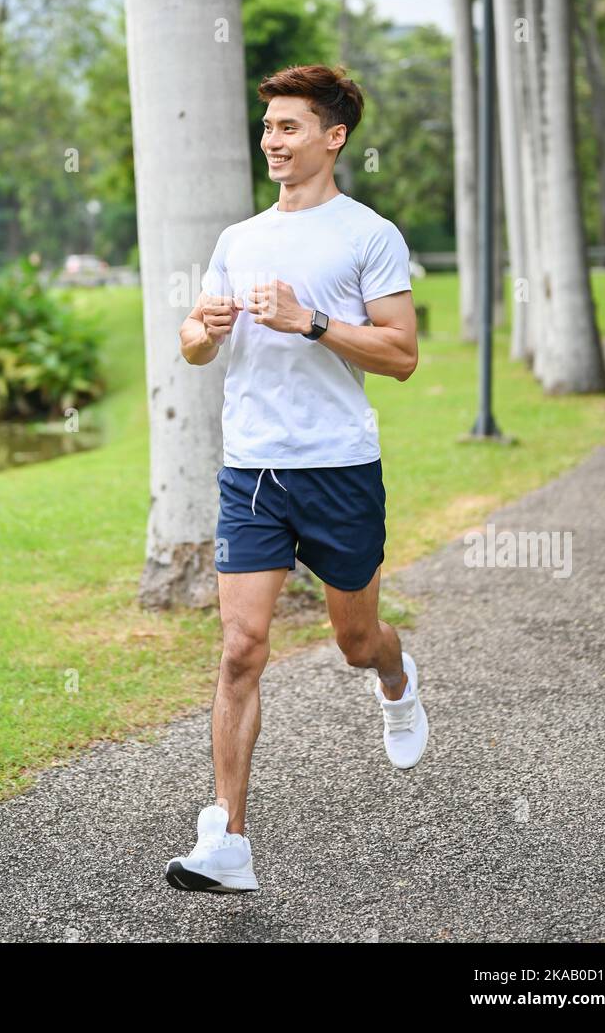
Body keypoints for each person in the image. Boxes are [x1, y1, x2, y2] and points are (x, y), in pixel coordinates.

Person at [166, 63, 428, 894]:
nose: (272, 141)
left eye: (288, 127)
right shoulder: (237, 240)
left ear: (333, 136)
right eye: (268, 128)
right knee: (240, 650)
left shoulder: (368, 234)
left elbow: (403, 356)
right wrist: (200, 329)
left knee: (355, 640)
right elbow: (196, 346)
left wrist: (311, 321)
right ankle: (227, 841)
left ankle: (394, 675)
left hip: (339, 468)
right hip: (252, 470)